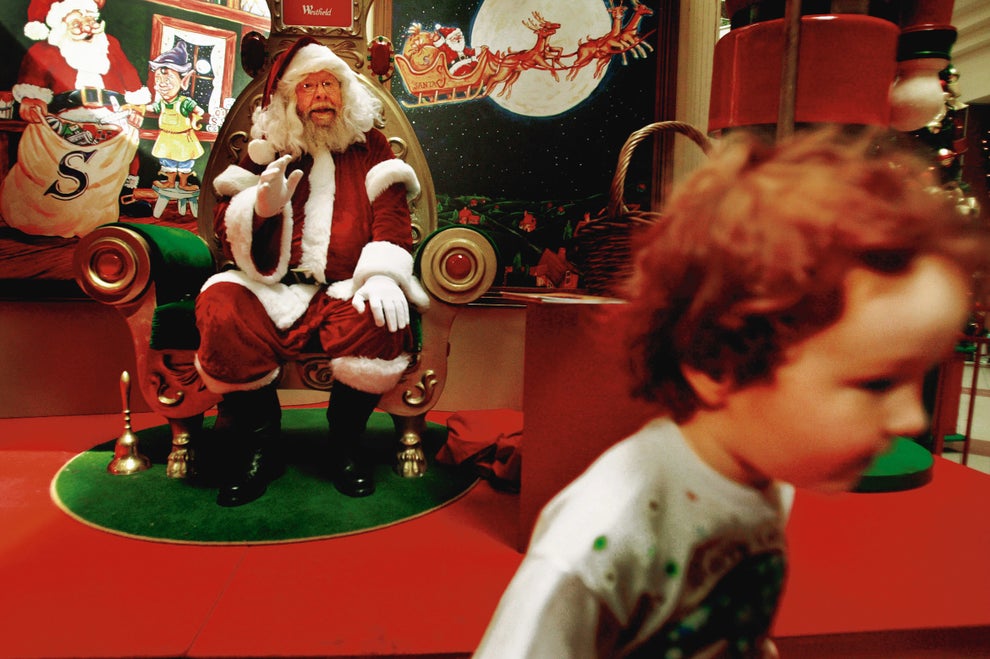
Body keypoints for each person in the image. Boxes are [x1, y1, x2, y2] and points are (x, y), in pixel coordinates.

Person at [474, 128, 990, 658]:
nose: (911, 420)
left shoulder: (765, 471)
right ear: (718, 364)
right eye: (878, 382)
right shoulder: (601, 538)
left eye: (918, 379)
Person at [194, 37, 428, 508]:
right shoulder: (264, 152)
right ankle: (261, 447)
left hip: (345, 289)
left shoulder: (370, 147)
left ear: (344, 94)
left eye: (330, 84)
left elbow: (392, 215)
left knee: (383, 315)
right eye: (309, 86)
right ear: (290, 99)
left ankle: (344, 444)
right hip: (275, 290)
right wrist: (259, 208)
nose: (321, 95)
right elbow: (225, 225)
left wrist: (382, 273)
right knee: (220, 305)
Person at [3, 0, 154, 232]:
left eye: (89, 18)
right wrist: (32, 101)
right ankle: (44, 210)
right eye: (77, 20)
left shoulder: (109, 45)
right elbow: (33, 81)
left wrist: (136, 107)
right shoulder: (46, 50)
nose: (85, 26)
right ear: (61, 24)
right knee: (40, 144)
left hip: (109, 115)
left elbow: (129, 77)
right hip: (64, 116)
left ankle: (122, 197)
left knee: (131, 141)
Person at [139, 39, 206, 192]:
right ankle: (169, 182)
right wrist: (139, 107)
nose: (162, 84)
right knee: (167, 162)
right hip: (166, 139)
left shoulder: (184, 102)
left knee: (184, 164)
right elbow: (151, 108)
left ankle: (183, 184)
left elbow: (199, 111)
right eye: (158, 80)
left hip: (182, 139)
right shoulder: (161, 103)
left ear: (184, 81)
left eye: (168, 80)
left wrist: (196, 119)